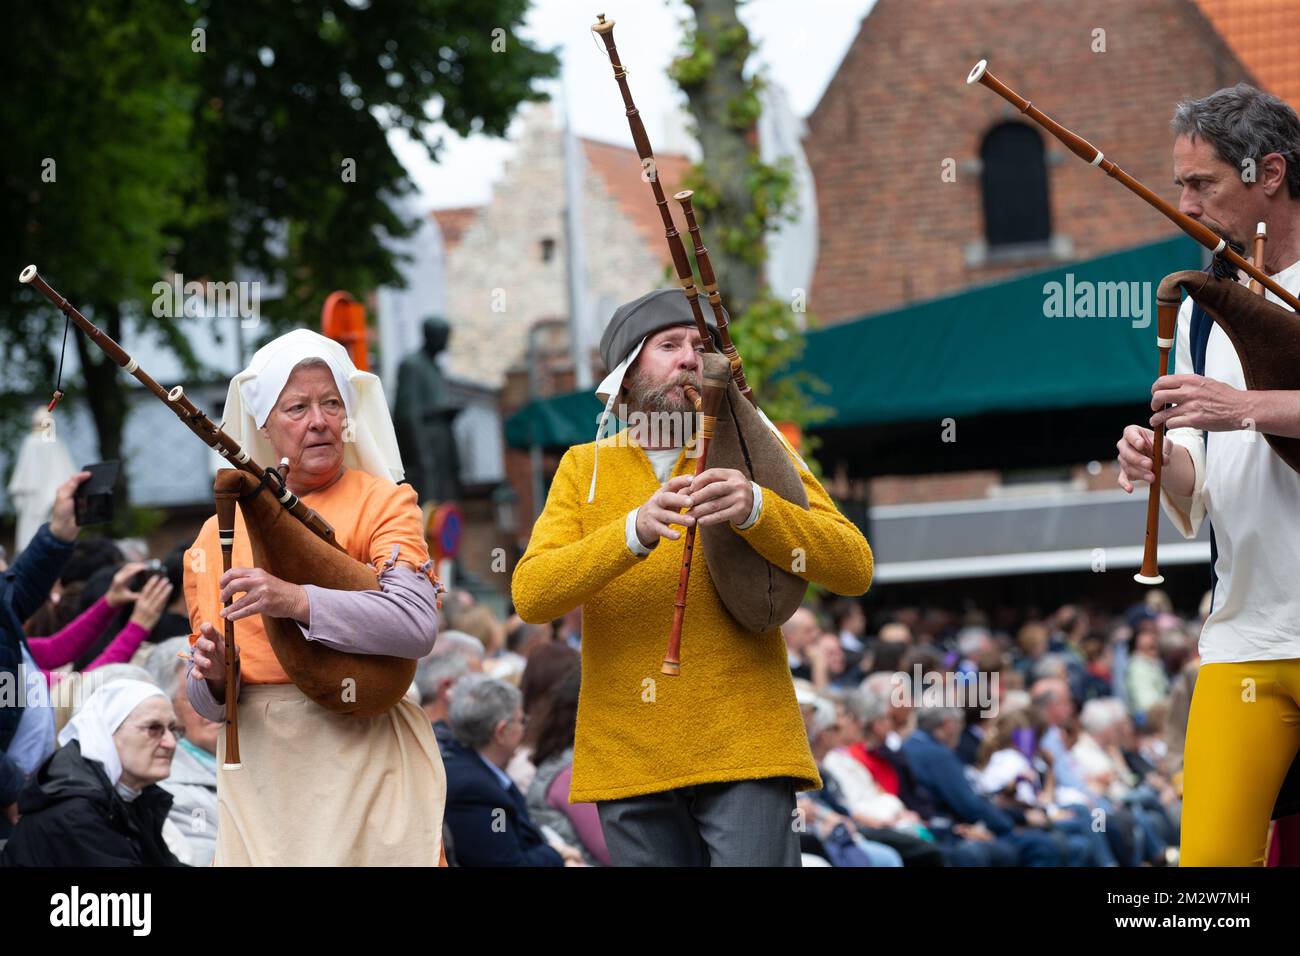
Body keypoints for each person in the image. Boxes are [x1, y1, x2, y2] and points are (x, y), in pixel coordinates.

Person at [512, 288, 874, 866]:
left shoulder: (757, 448)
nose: (690, 358)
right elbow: (532, 595)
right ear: (628, 376)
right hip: (627, 753)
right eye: (669, 345)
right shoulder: (584, 467)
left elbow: (854, 566)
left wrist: (759, 508)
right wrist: (632, 531)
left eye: (700, 346)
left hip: (746, 745)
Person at [1115, 82, 1300, 866]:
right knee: (1209, 880)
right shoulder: (1202, 305)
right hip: (1246, 635)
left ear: (1270, 173)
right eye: (1181, 182)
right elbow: (1212, 469)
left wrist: (1247, 406)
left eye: (1203, 184)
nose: (1183, 202)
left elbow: (1240, 415)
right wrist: (1166, 468)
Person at [183, 329, 446, 866]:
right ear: (264, 424)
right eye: (297, 407)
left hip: (365, 754)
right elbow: (211, 703)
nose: (319, 420)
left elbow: (416, 624)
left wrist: (295, 600)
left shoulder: (386, 502)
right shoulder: (215, 536)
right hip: (265, 779)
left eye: (331, 403)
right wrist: (210, 675)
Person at [2, 679, 183, 866]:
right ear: (106, 731)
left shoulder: (130, 798)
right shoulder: (74, 811)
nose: (170, 742)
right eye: (153, 728)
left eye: (173, 729)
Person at [439, 674, 568, 867]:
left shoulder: (470, 767)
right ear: (501, 732)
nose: (524, 729)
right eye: (521, 721)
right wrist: (556, 853)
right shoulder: (477, 792)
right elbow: (506, 862)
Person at [145, 637, 220, 867]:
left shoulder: (254, 757)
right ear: (167, 710)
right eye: (196, 697)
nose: (215, 706)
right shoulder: (166, 786)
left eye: (220, 692)